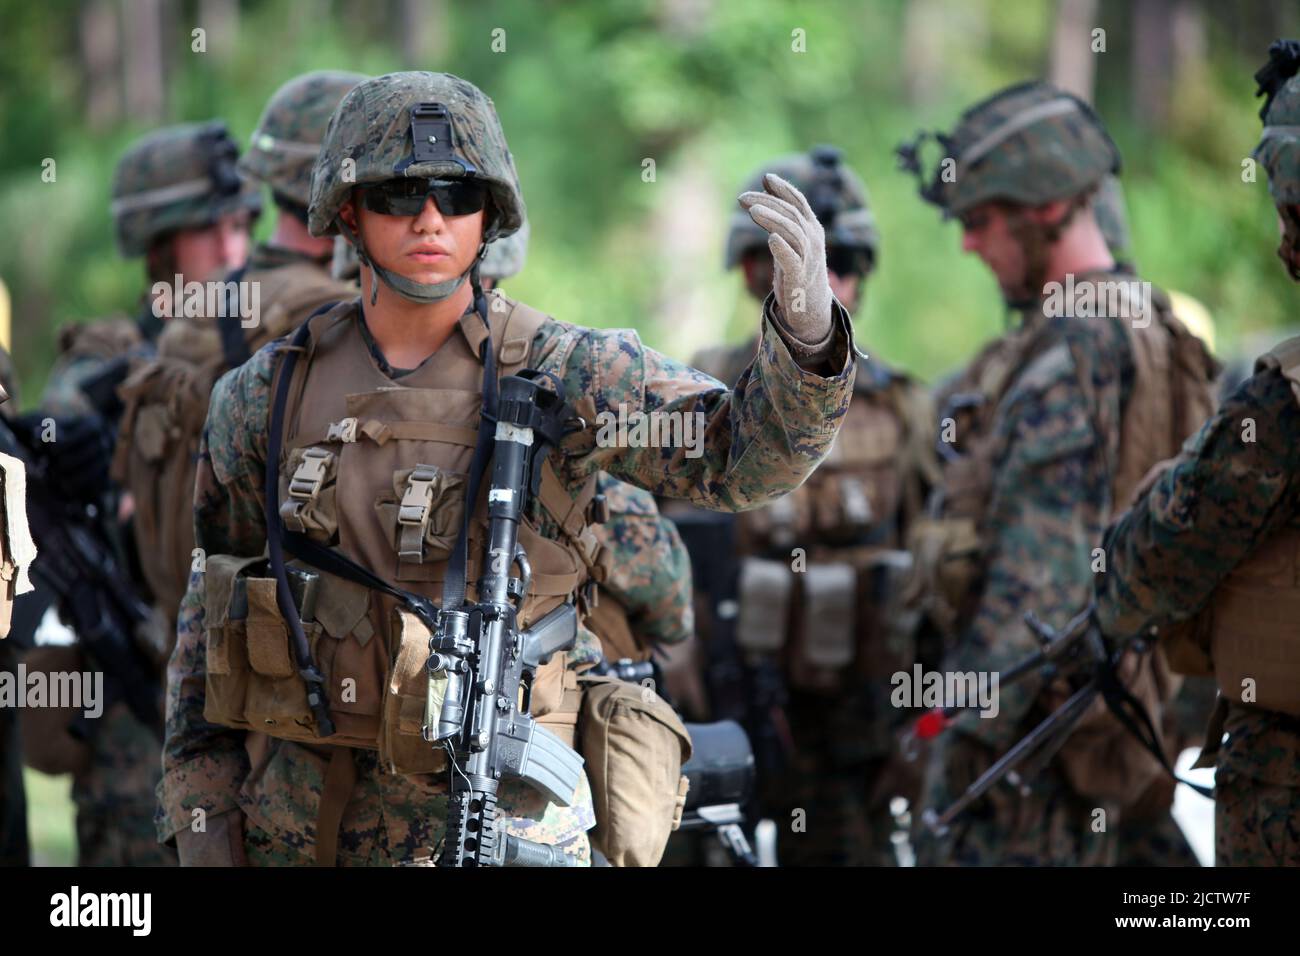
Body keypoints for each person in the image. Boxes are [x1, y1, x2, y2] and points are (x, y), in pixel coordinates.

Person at [159, 70, 858, 866]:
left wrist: (805, 340)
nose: (431, 218)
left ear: (489, 214)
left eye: (458, 195)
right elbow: (209, 625)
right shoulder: (264, 395)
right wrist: (203, 825)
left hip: (510, 826)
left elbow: (743, 459)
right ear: (346, 210)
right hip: (306, 834)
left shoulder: (568, 372)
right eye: (399, 193)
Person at [898, 81, 1219, 866]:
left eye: (982, 222)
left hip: (1035, 754)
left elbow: (1038, 586)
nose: (969, 245)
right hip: (1128, 726)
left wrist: (951, 735)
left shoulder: (1067, 360)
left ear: (1045, 209)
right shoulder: (1155, 326)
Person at [1095, 39, 1300, 866]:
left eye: (1294, 217)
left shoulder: (1284, 405)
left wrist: (1111, 585)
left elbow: (1155, 565)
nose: (1287, 246)